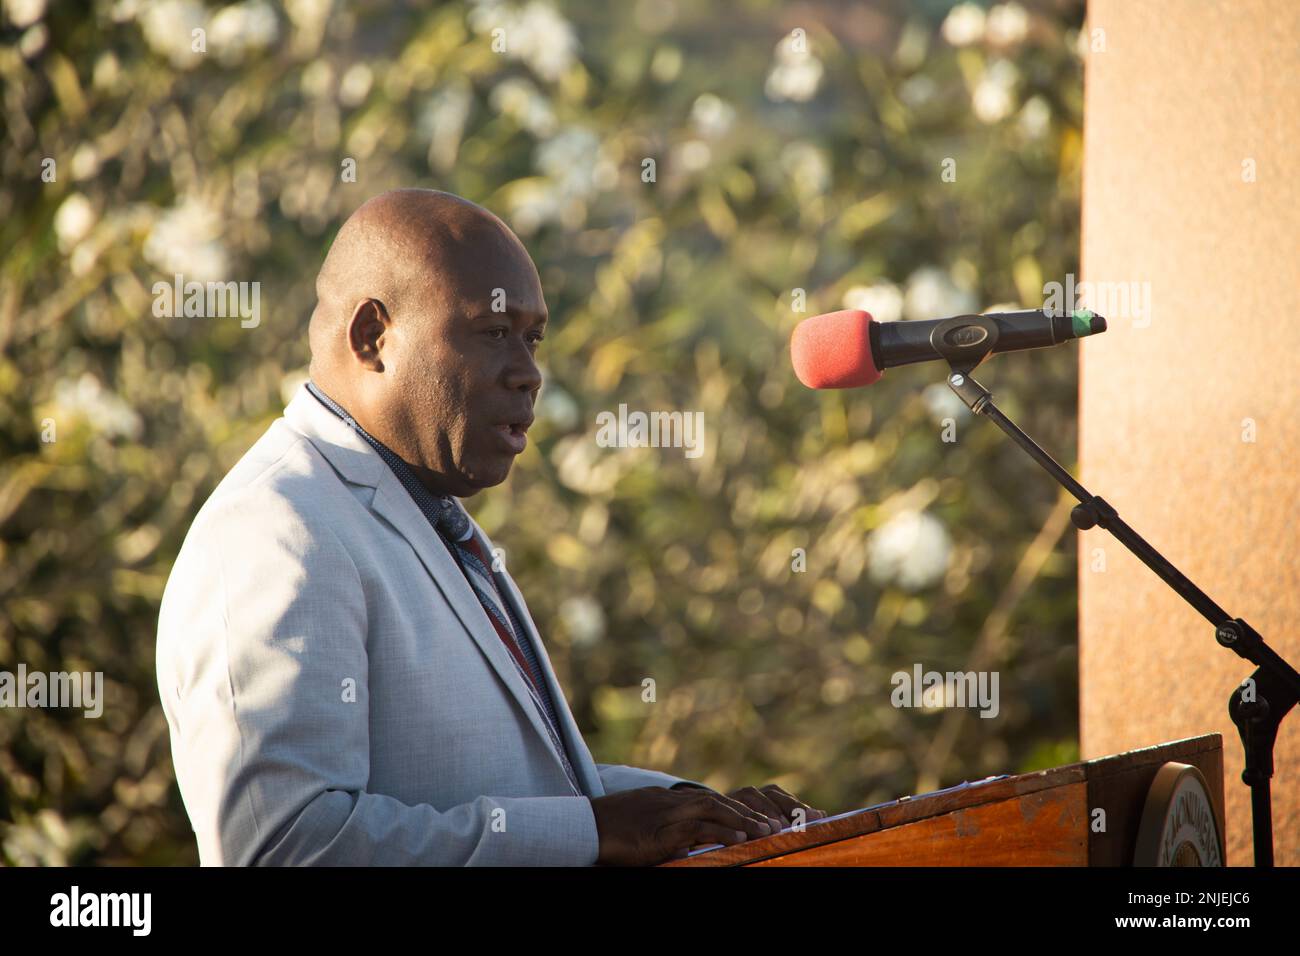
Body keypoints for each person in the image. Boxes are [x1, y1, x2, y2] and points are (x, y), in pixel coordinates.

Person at [156, 188, 824, 866]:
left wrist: (693, 809)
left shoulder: (424, 515)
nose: (528, 373)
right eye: (493, 333)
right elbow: (284, 847)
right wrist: (594, 833)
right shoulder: (278, 530)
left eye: (533, 340)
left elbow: (508, 794)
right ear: (372, 337)